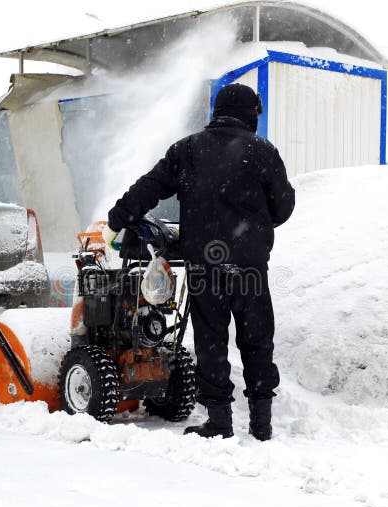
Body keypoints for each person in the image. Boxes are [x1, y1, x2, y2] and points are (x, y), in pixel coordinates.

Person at [103, 83, 295, 440]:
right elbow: (284, 206)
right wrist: (254, 224)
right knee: (257, 341)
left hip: (205, 266)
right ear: (250, 114)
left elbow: (151, 185)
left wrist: (120, 215)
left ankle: (220, 422)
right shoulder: (263, 152)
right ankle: (261, 424)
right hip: (250, 267)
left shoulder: (187, 149)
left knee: (211, 341)